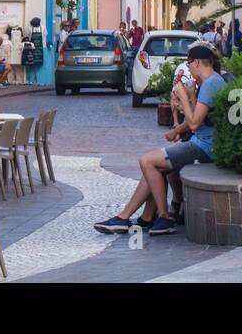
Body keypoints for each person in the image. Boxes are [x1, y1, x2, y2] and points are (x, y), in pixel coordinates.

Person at [93, 43, 227, 236]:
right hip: (204, 143)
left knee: (147, 161)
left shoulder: (210, 84)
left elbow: (195, 123)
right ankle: (135, 218)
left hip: (205, 147)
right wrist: (186, 104)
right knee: (155, 167)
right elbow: (200, 117)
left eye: (189, 64)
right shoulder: (212, 82)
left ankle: (163, 217)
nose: (188, 69)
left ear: (196, 62)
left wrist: (183, 96)